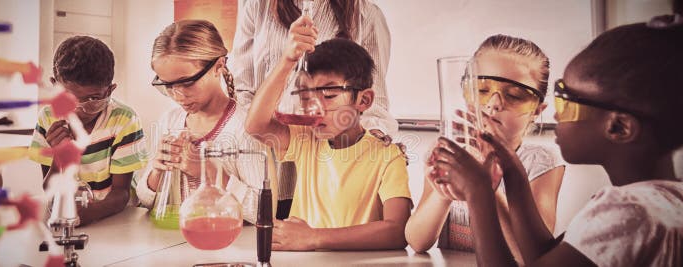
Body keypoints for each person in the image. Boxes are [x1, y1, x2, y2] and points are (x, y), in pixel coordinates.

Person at [430, 17, 683, 266]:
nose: (556, 114)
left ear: (619, 126)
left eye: (566, 101)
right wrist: (512, 169)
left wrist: (479, 193)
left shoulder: (628, 215)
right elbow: (542, 256)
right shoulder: (664, 202)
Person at [245, 14, 411, 250]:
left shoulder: (388, 155)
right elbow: (256, 126)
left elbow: (397, 231)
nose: (315, 107)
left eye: (330, 95)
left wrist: (314, 237)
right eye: (307, 97)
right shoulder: (305, 139)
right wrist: (288, 60)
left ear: (364, 100)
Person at [405, 35, 564, 262]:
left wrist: (484, 187)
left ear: (537, 110)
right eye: (481, 90)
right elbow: (418, 241)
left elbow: (531, 257)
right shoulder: (447, 152)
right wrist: (443, 196)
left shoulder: (541, 161)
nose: (494, 103)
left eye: (515, 95)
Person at [133, 19, 270, 223]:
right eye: (168, 85)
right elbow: (145, 201)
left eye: (187, 83)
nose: (177, 95)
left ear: (218, 66)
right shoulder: (171, 120)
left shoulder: (245, 127)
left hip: (228, 246)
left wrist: (208, 171)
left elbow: (263, 211)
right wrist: (157, 170)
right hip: (176, 242)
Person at [29, 36, 148, 225]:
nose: (79, 109)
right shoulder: (48, 118)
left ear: (109, 90)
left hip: (118, 220)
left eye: (93, 99)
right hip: (69, 218)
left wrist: (89, 213)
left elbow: (121, 193)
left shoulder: (124, 120)